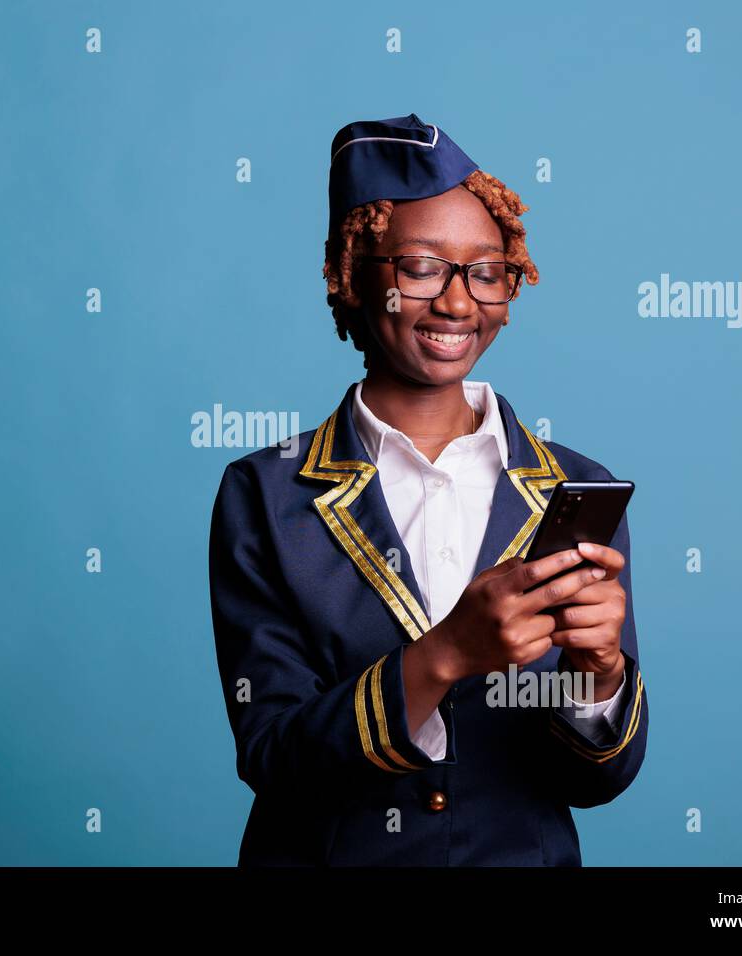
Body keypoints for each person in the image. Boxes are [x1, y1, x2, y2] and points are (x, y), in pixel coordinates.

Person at [207, 113, 648, 866]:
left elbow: (593, 783)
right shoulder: (267, 494)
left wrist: (598, 676)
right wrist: (442, 655)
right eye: (419, 267)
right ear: (352, 272)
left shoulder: (576, 489)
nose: (456, 303)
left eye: (486, 271)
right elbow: (275, 755)